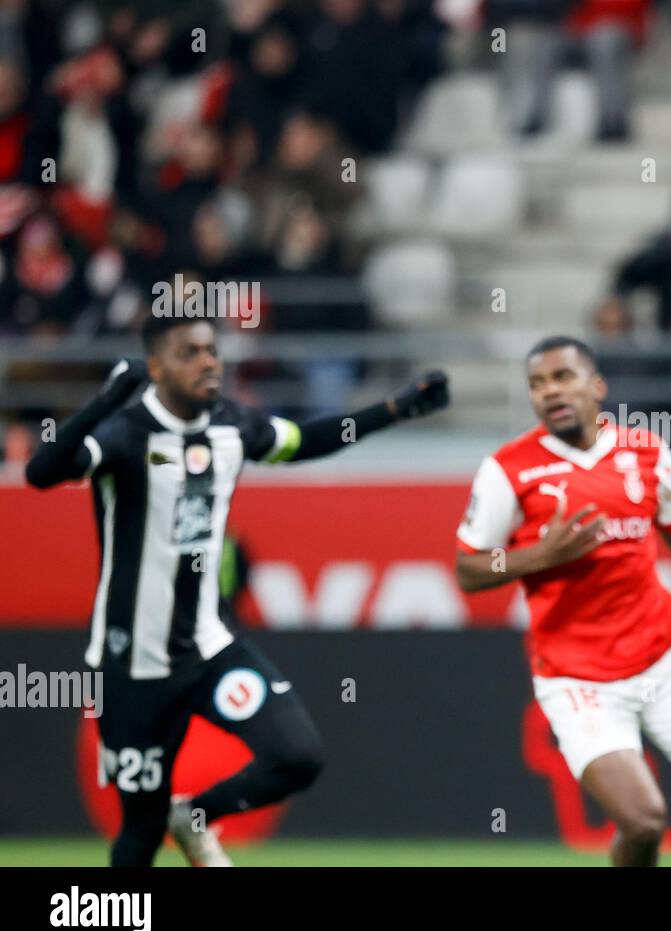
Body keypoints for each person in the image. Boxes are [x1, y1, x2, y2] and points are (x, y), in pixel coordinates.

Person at [24, 313, 450, 866]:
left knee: (297, 756)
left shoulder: (231, 424)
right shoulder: (125, 435)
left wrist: (394, 410)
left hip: (209, 649)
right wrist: (107, 399)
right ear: (155, 367)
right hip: (133, 669)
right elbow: (41, 471)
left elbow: (304, 441)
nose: (208, 363)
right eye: (190, 353)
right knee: (140, 831)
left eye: (212, 350)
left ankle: (195, 815)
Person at [455, 335, 671, 867]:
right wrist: (537, 556)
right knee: (643, 820)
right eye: (537, 383)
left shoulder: (644, 451)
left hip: (665, 655)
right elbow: (469, 569)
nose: (551, 391)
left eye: (562, 377)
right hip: (579, 677)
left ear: (596, 386)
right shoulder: (508, 470)